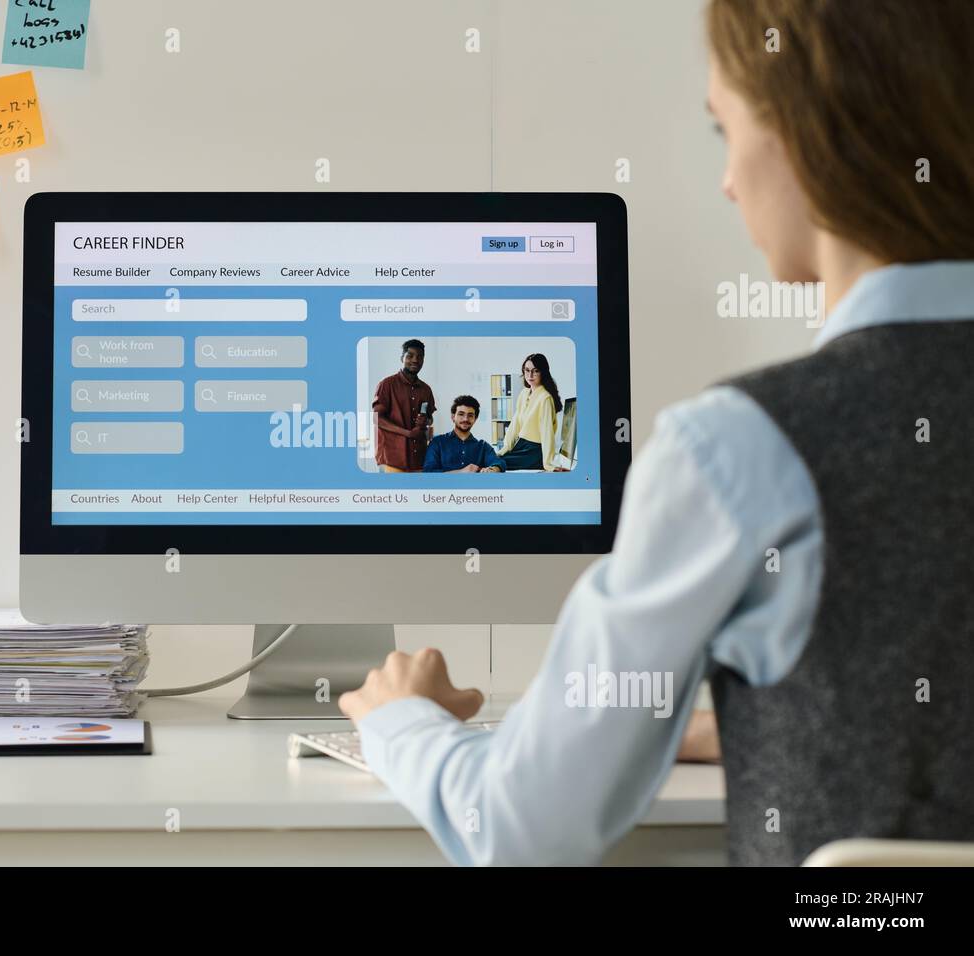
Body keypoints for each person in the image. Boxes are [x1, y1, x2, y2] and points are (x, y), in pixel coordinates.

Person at [340, 0, 974, 866]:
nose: (726, 180)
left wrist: (400, 720)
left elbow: (522, 830)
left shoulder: (744, 447)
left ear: (806, 132)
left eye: (725, 130)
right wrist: (745, 724)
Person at [371, 339, 435, 472]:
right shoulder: (387, 385)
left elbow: (430, 419)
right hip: (393, 459)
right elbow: (376, 418)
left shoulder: (426, 389)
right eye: (410, 355)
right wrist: (408, 433)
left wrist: (426, 421)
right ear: (402, 358)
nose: (415, 360)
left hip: (419, 459)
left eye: (420, 356)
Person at [499, 353, 561, 471]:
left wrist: (548, 464)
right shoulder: (524, 393)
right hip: (522, 445)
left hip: (534, 451)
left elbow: (547, 432)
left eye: (535, 371)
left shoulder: (545, 398)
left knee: (497, 463)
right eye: (527, 370)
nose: (530, 375)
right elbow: (515, 424)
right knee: (493, 458)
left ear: (543, 372)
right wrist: (505, 448)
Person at [422, 396, 505, 474]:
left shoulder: (483, 446)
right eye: (461, 414)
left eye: (470, 415)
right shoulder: (437, 442)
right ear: (453, 417)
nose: (465, 419)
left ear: (475, 419)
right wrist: (461, 472)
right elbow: (429, 472)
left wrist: (493, 470)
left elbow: (499, 463)